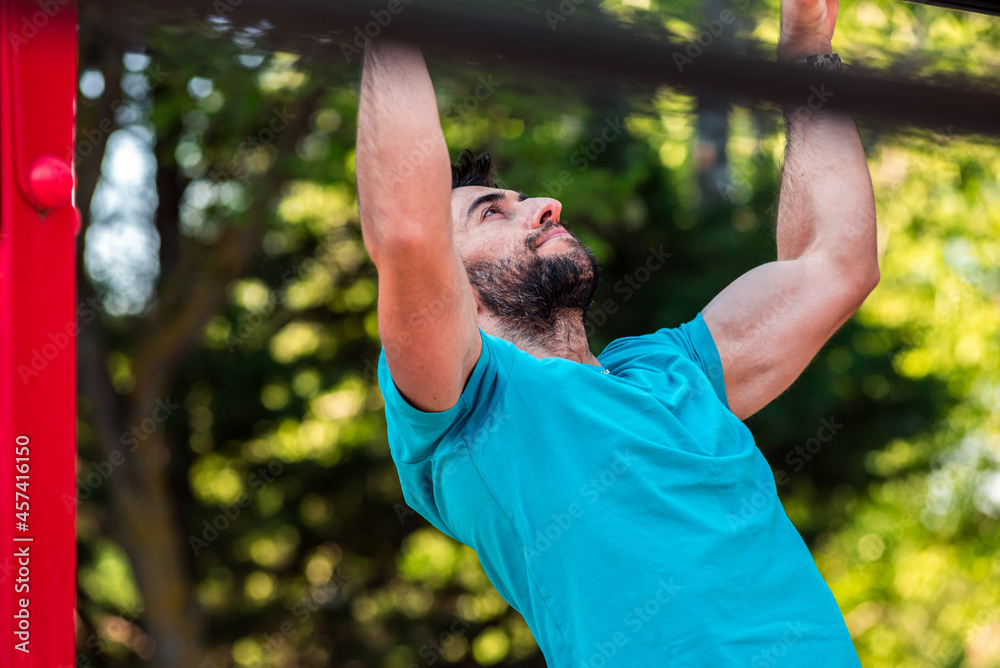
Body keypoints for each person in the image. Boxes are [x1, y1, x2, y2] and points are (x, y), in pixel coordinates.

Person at [355, 0, 878, 664]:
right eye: (493, 213)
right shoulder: (466, 407)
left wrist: (806, 49)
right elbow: (405, 230)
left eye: (524, 200)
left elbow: (835, 261)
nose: (546, 204)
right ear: (450, 283)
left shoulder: (675, 372)